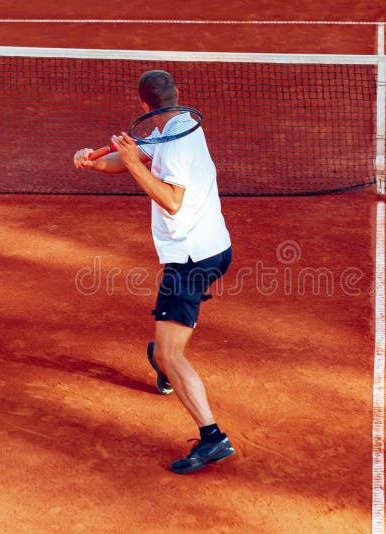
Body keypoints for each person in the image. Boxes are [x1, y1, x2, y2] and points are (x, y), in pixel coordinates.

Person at [73, 70, 234, 474]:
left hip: (191, 259)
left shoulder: (175, 143)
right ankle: (162, 365)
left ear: (143, 105)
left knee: (169, 351)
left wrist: (132, 163)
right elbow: (131, 157)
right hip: (214, 248)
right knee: (166, 347)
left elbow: (172, 201)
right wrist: (95, 161)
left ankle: (212, 437)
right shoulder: (178, 124)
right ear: (174, 96)